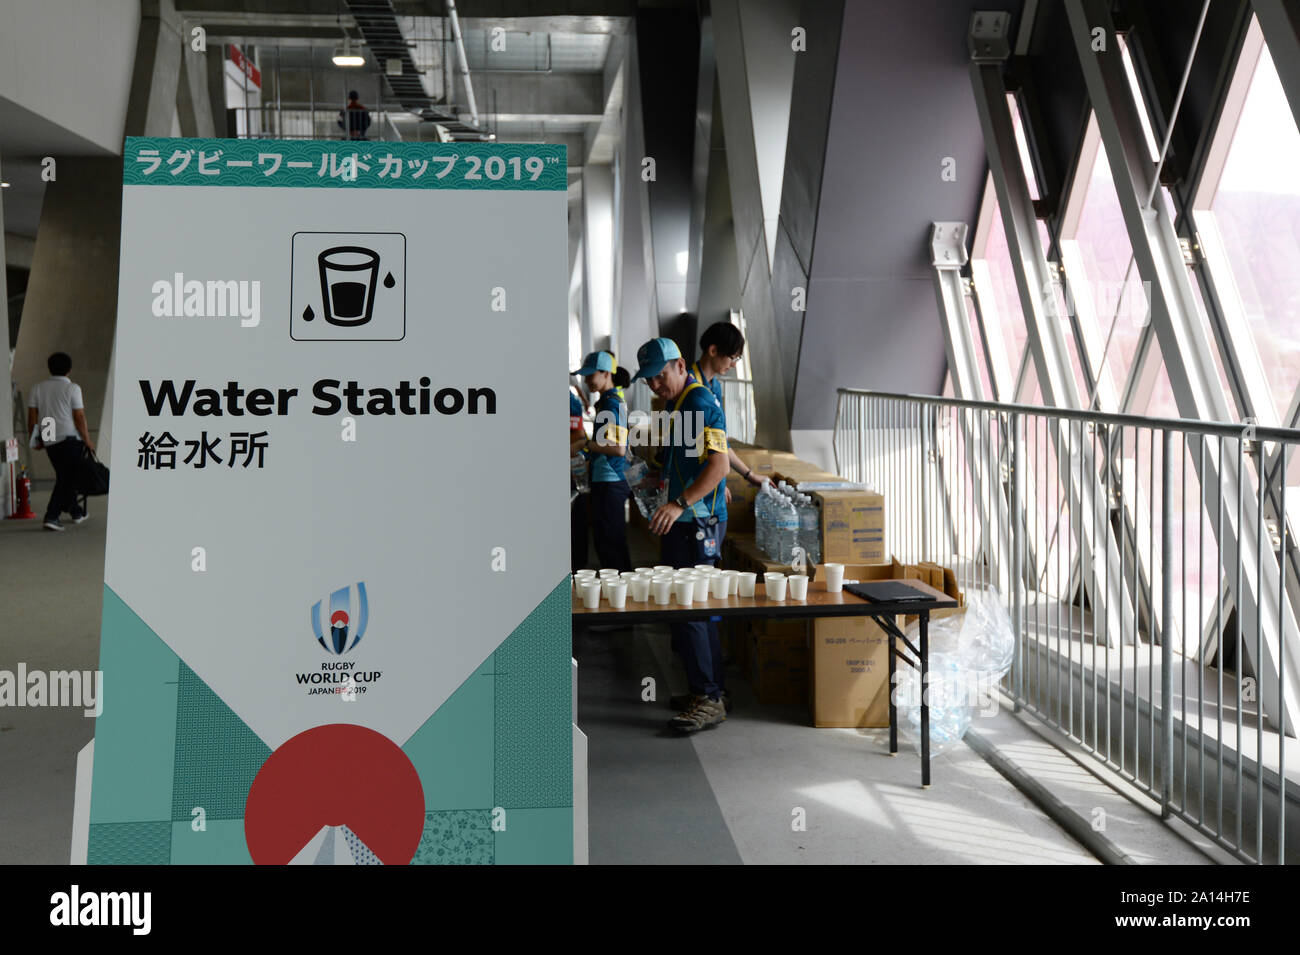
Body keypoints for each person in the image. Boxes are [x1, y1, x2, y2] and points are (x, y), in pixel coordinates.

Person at [633, 337, 731, 733]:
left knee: (694, 611)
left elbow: (719, 465)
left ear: (680, 365)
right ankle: (707, 690)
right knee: (687, 609)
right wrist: (658, 478)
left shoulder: (700, 403)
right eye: (649, 381)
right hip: (685, 520)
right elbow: (685, 460)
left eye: (660, 377)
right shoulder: (677, 404)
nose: (655, 386)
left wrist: (680, 503)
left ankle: (709, 698)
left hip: (698, 522)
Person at [690, 321, 771, 498]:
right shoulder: (690, 389)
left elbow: (721, 442)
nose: (734, 364)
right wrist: (713, 480)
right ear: (713, 351)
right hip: (694, 486)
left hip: (710, 480)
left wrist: (749, 475)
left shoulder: (714, 387)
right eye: (732, 357)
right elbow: (689, 445)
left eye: (736, 359)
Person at [574, 351, 633, 572]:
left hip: (610, 481)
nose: (587, 380)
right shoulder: (607, 401)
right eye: (585, 376)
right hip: (606, 479)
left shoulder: (612, 404)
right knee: (608, 542)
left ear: (606, 373)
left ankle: (622, 599)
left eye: (591, 375)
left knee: (611, 545)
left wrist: (584, 445)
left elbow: (618, 448)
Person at [26, 352, 94, 532]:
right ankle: (52, 515)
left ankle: (75, 511)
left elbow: (32, 417)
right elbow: (78, 416)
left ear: (50, 368)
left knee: (65, 475)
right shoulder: (73, 388)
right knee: (67, 477)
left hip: (49, 435)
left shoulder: (38, 388)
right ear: (69, 370)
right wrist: (87, 439)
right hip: (69, 436)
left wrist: (36, 439)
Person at [570, 382, 589, 572]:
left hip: (571, 470)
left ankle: (577, 569)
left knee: (575, 523)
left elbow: (578, 435)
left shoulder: (569, 401)